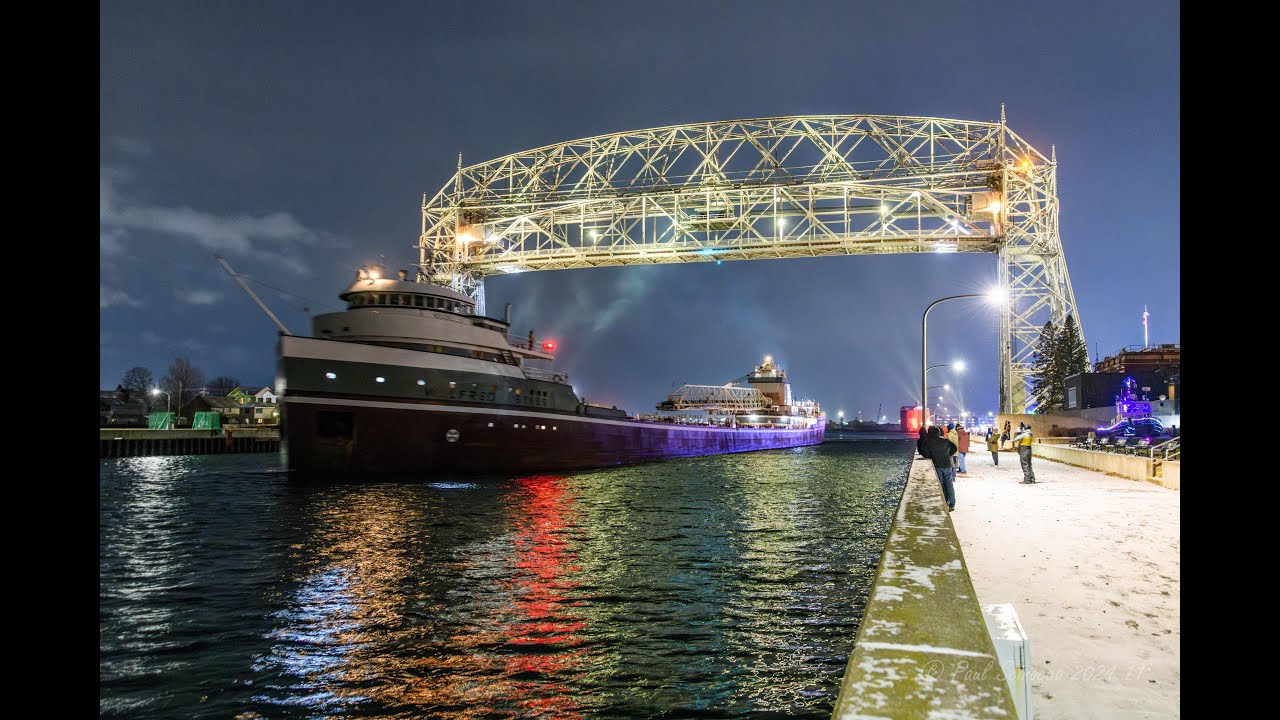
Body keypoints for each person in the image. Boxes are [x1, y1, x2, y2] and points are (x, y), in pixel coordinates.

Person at [919, 425, 958, 511]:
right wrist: (947, 455)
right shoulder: (945, 441)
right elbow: (954, 448)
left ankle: (943, 502)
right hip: (947, 464)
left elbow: (924, 452)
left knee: (940, 484)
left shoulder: (927, 442)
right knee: (949, 484)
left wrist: (932, 456)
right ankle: (952, 503)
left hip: (937, 465)